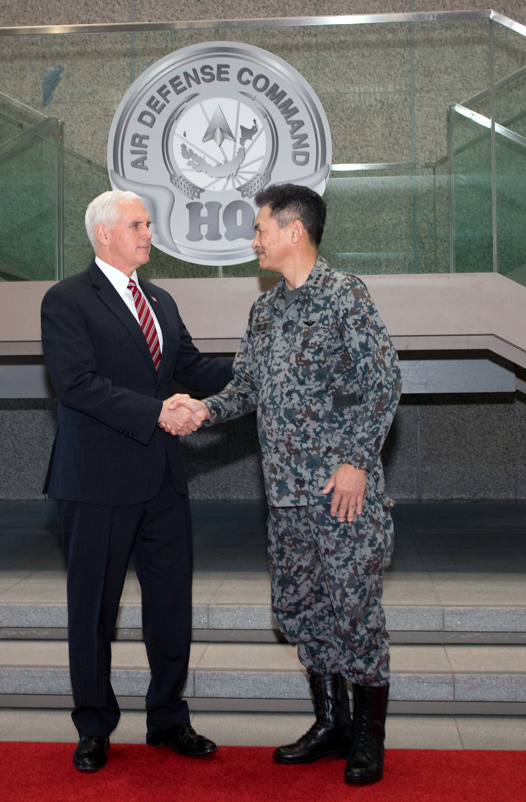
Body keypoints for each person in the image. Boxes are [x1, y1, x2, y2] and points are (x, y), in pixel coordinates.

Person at [169, 184, 401, 786]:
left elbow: (384, 384)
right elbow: (245, 389)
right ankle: (332, 724)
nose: (253, 241)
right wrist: (201, 410)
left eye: (260, 230)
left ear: (294, 231)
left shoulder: (345, 296)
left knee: (355, 610)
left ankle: (369, 740)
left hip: (341, 493)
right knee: (301, 610)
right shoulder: (265, 311)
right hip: (286, 496)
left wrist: (355, 460)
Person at [41, 190, 233, 773]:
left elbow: (191, 370)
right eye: (138, 224)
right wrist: (156, 412)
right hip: (96, 481)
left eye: (148, 223)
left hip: (164, 482)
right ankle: (94, 726)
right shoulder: (67, 300)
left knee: (171, 607)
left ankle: (168, 718)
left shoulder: (161, 299)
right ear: (104, 233)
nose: (150, 233)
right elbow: (76, 384)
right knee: (93, 611)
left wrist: (263, 360)